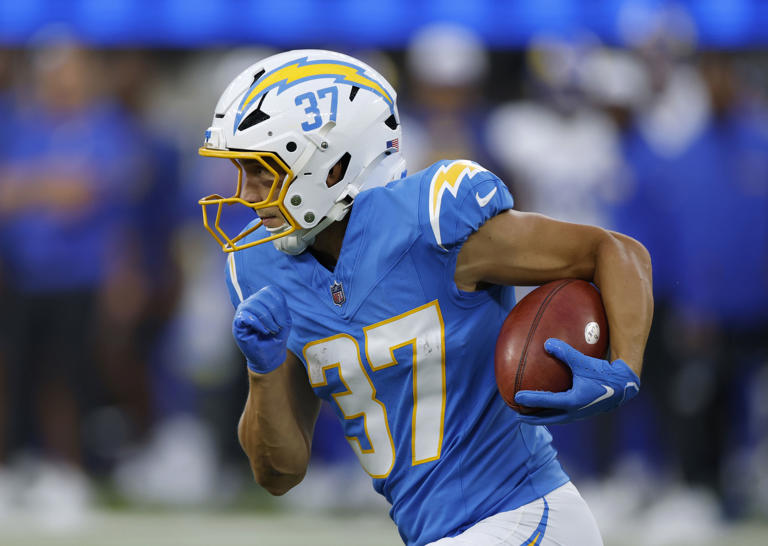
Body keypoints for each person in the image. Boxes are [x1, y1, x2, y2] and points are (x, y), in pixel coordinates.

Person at [196, 49, 653, 546]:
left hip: (527, 516)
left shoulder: (432, 220)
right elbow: (279, 473)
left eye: (262, 170)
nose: (246, 194)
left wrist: (625, 365)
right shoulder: (261, 270)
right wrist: (262, 371)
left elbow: (614, 250)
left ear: (332, 164)